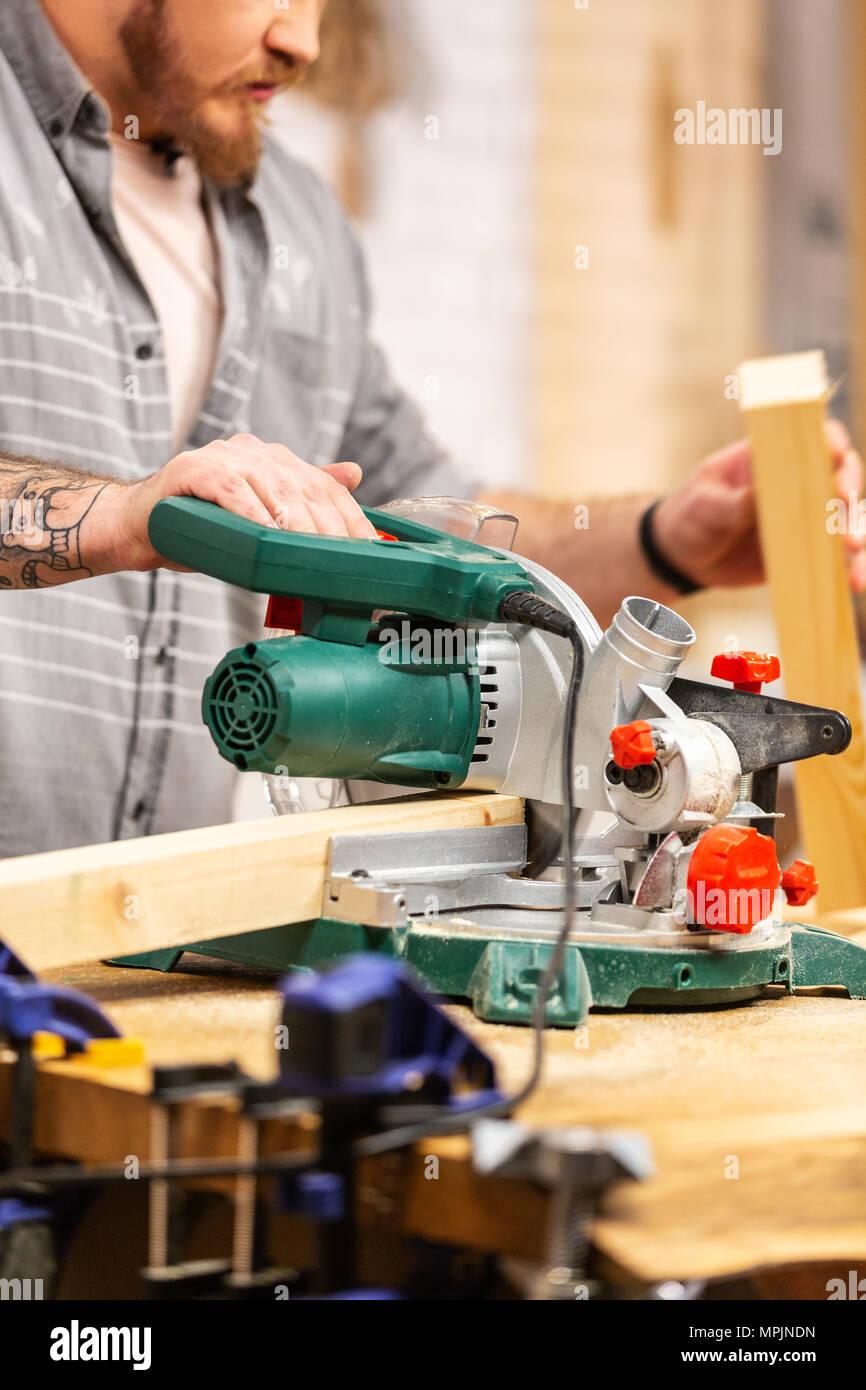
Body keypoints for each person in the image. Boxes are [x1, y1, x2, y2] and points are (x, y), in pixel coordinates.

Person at [0, 0, 861, 854]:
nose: (302, 39)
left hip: (130, 949)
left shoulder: (293, 226)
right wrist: (120, 516)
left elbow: (435, 543)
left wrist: (667, 539)